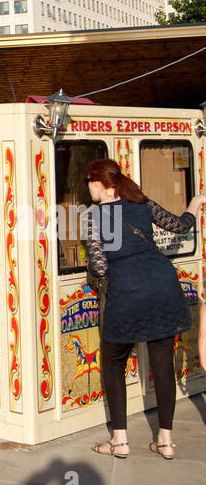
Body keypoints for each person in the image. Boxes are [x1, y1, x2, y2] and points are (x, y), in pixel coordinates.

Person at [82, 159, 205, 460]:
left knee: (113, 362)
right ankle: (165, 441)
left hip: (128, 293)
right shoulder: (141, 203)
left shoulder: (93, 216)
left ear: (100, 183)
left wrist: (91, 270)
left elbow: (99, 266)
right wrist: (195, 202)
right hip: (163, 286)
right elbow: (181, 225)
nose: (87, 188)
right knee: (162, 364)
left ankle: (119, 441)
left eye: (88, 181)